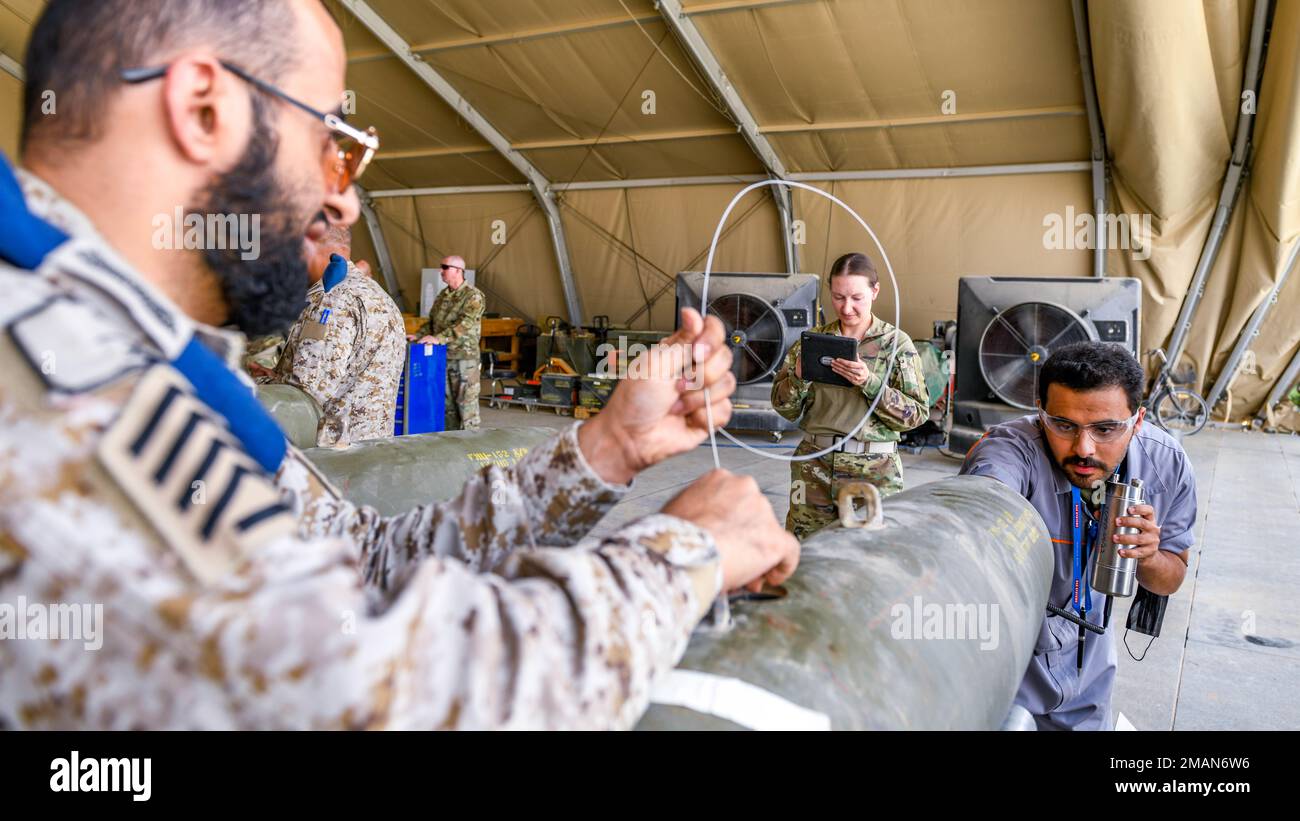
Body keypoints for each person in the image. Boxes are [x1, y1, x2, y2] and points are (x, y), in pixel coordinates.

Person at [0, 0, 797, 730]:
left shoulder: (145, 360)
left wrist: (609, 450)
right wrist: (683, 553)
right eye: (334, 147)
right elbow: (366, 696)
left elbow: (358, 561)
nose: (346, 203)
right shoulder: (47, 386)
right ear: (202, 107)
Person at [960, 341, 1197, 730]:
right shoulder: (1012, 449)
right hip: (1008, 664)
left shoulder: (1166, 465)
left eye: (1106, 429)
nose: (1083, 448)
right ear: (1041, 414)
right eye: (1064, 425)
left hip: (1089, 663)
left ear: (1137, 421)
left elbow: (1171, 576)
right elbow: (986, 491)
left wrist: (1150, 557)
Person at [771, 252, 929, 539]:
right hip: (813, 467)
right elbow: (785, 408)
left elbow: (916, 414)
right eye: (838, 297)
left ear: (875, 291)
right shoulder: (813, 341)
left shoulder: (895, 344)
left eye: (856, 297)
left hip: (874, 472)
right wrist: (798, 375)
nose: (846, 308)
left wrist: (869, 382)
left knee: (872, 554)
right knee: (804, 552)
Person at [268, 225, 404, 445]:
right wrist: (277, 375)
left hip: (333, 452)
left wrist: (260, 384)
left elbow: (308, 393)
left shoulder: (333, 300)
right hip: (370, 445)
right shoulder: (378, 296)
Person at [410, 255, 483, 430]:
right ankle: (451, 444)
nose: (440, 271)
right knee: (446, 407)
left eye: (445, 267)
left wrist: (438, 339)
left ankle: (470, 448)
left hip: (464, 359)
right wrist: (419, 335)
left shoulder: (473, 296)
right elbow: (433, 323)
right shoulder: (443, 295)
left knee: (467, 405)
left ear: (458, 271)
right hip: (443, 357)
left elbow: (465, 324)